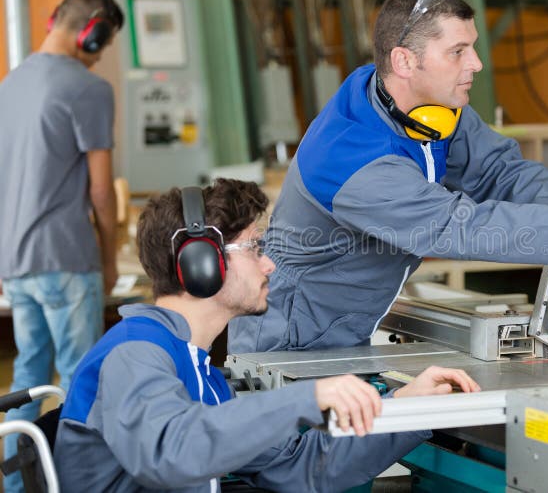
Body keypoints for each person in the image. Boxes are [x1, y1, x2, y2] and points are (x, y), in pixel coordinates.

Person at [228, 0, 548, 353]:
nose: (476, 63)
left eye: (472, 47)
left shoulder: (421, 108)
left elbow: (504, 174)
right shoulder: (354, 162)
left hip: (349, 329)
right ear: (404, 61)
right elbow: (464, 228)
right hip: (291, 346)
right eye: (457, 52)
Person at [53, 178, 480, 492]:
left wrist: (407, 408)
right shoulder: (135, 354)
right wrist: (307, 397)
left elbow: (305, 467)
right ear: (202, 263)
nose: (269, 264)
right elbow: (170, 453)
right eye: (254, 248)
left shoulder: (202, 375)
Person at [0, 0, 123, 492]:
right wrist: (110, 258)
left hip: (16, 262)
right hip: (66, 259)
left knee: (27, 378)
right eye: (103, 46)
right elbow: (101, 191)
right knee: (80, 378)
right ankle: (78, 485)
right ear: (92, 34)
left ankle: (15, 487)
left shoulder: (9, 85)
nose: (99, 57)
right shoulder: (88, 88)